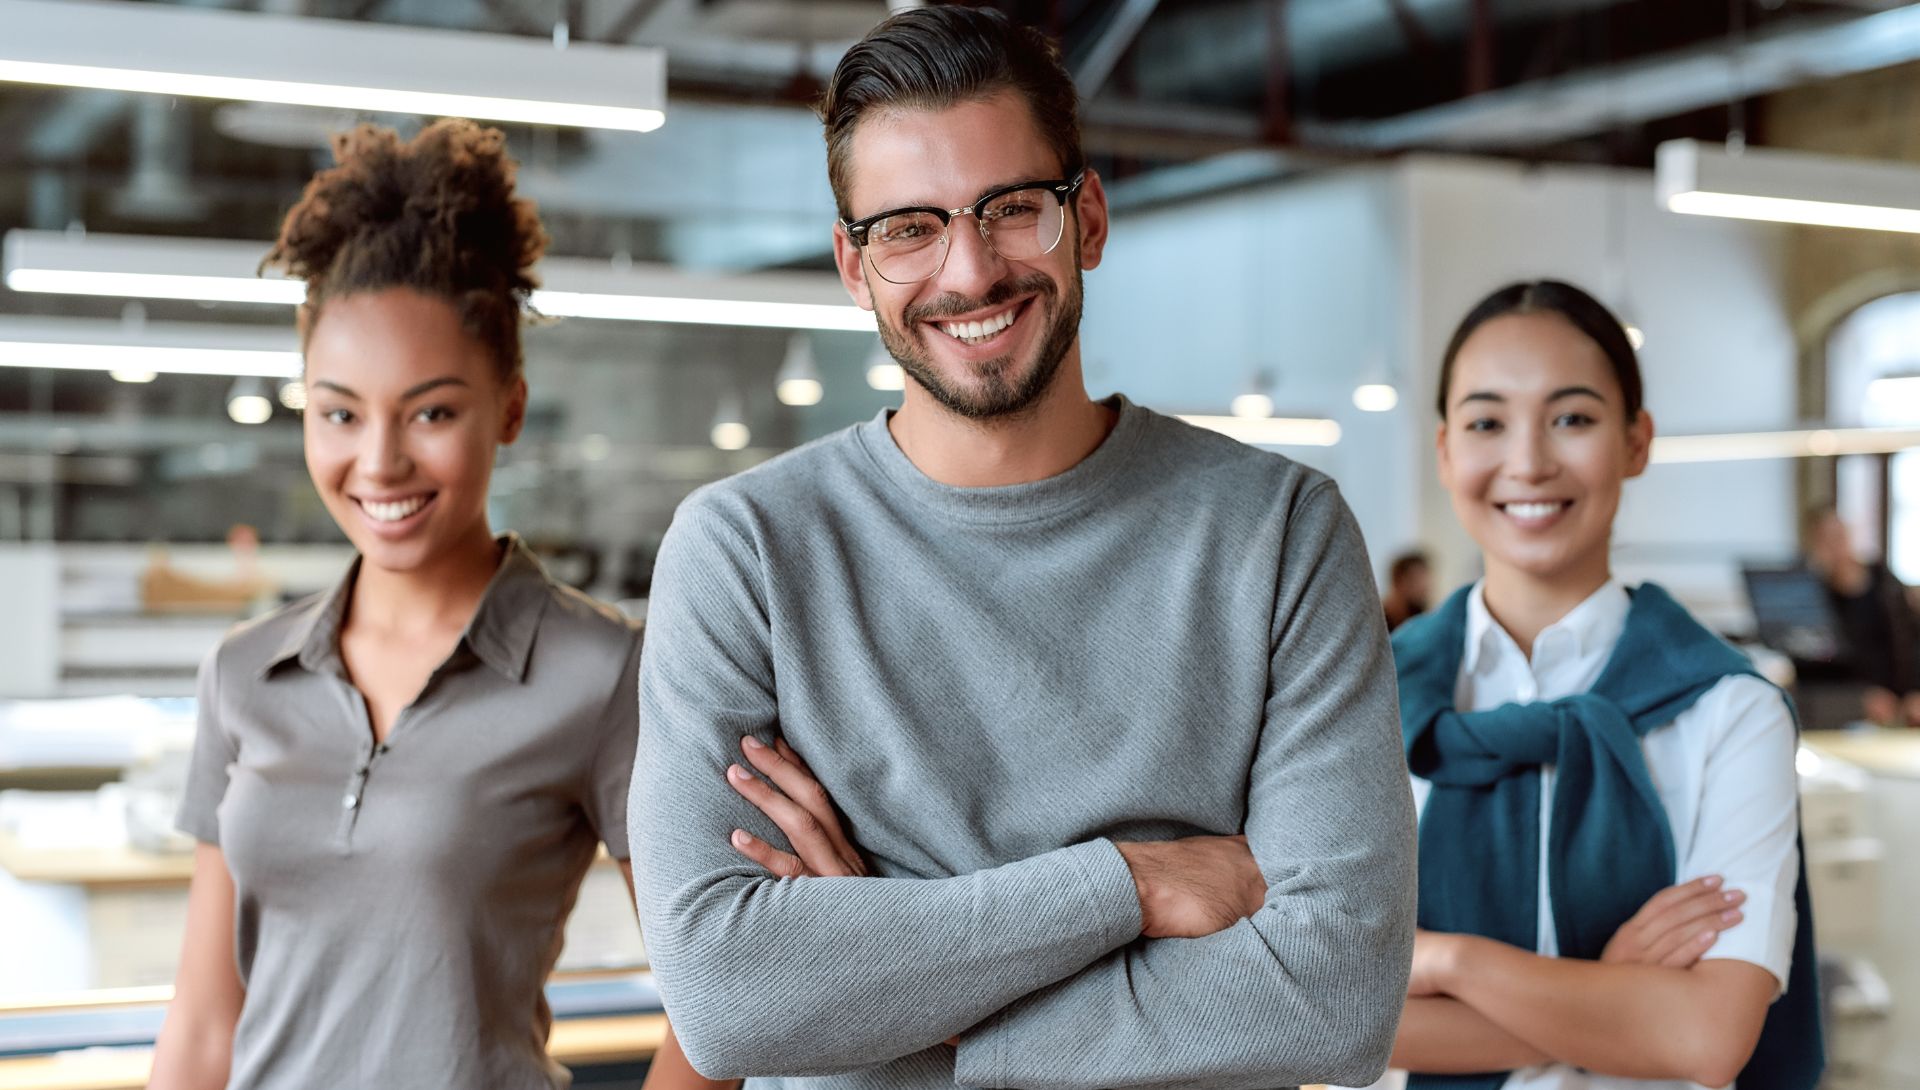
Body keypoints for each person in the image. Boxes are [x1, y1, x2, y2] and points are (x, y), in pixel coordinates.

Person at [630, 8, 1415, 1089]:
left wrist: (901, 985)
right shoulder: (744, 552)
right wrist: (1127, 884)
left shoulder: (1278, 532)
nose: (969, 271)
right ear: (855, 266)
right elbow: (726, 998)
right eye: (908, 228)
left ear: (1085, 218)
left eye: (1011, 210)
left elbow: (1337, 999)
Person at [149, 120, 669, 1090]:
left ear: (509, 407)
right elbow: (204, 1027)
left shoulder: (601, 674)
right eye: (340, 413)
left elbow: (716, 1005)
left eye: (431, 411)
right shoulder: (243, 672)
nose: (379, 462)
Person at [1383, 280, 1822, 1090]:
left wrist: (1446, 961)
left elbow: (1705, 1036)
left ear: (1636, 442)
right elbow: (1312, 1013)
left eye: (1573, 419)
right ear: (1445, 451)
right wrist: (1611, 995)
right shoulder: (1362, 695)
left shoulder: (1731, 708)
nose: (1528, 462)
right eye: (1487, 423)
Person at [1803, 504, 1920, 726]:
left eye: (1839, 536)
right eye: (1825, 539)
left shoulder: (1885, 583)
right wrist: (1857, 699)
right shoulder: (1813, 597)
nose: (1835, 546)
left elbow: (1913, 640)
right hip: (1852, 707)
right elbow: (1813, 670)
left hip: (1900, 704)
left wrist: (1915, 691)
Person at [1384, 549, 1434, 631]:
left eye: (1424, 580)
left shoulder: (1419, 616)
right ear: (1398, 582)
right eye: (1416, 580)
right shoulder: (1378, 619)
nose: (1423, 588)